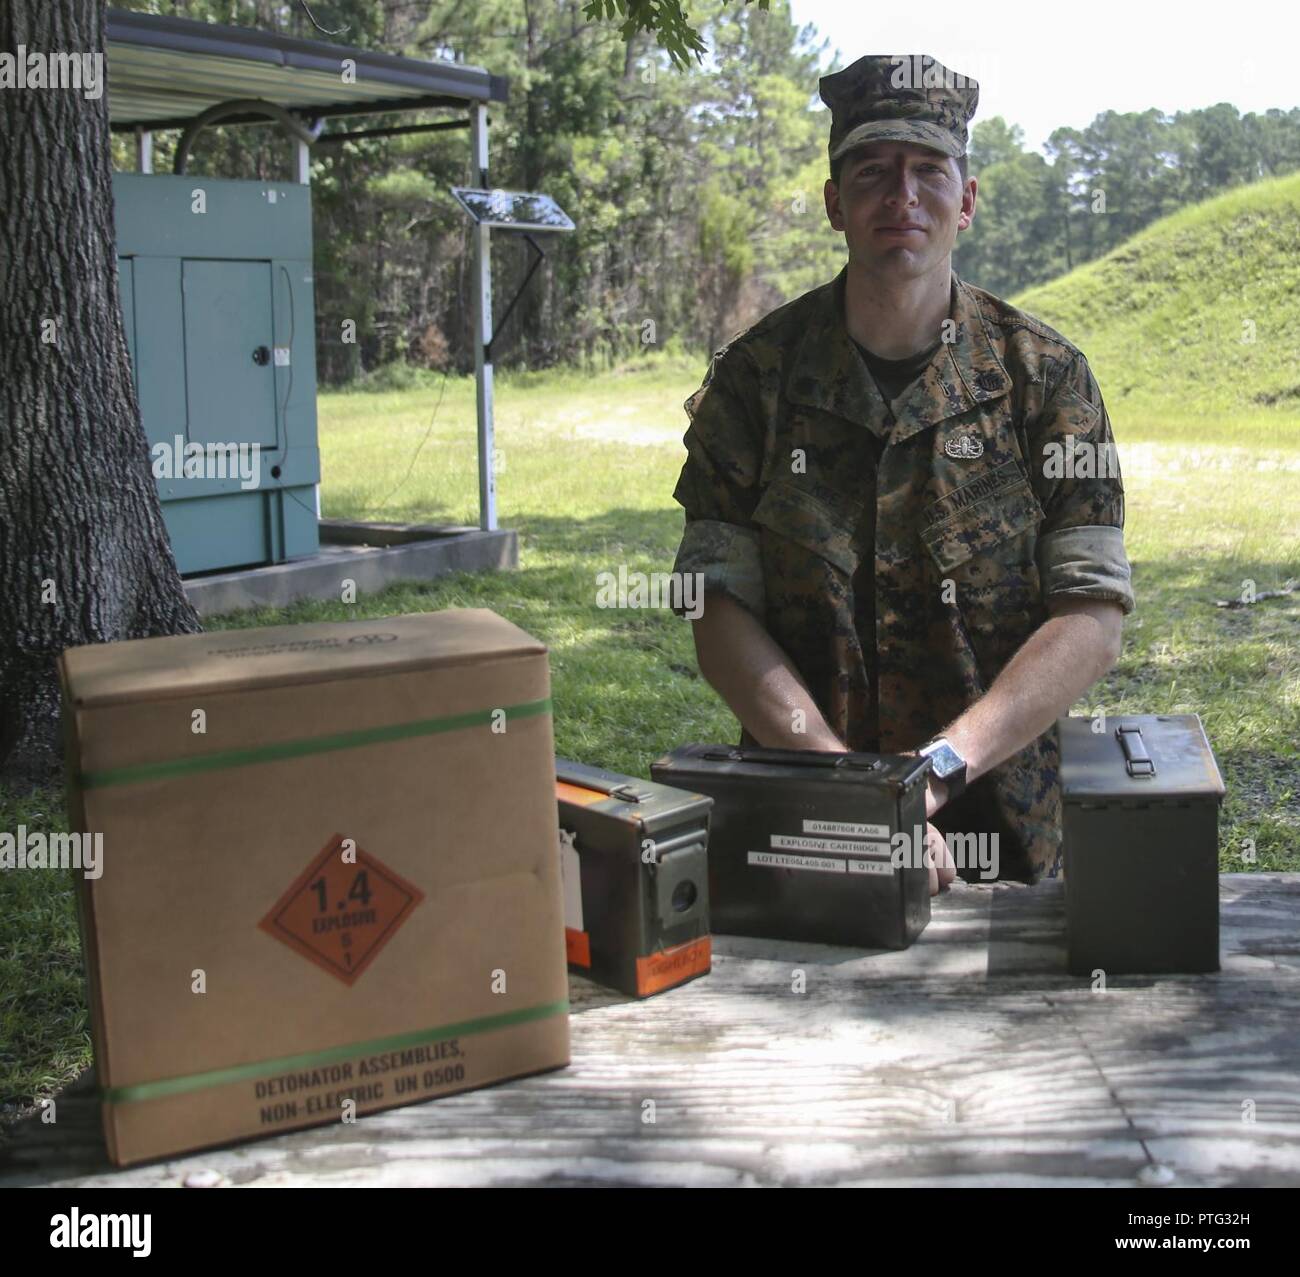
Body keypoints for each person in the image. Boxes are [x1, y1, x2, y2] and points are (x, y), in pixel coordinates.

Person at [670, 54, 1135, 895]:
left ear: (966, 201)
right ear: (833, 203)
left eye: (929, 172)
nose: (902, 197)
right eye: (873, 172)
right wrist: (856, 795)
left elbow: (1092, 617)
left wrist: (937, 771)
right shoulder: (756, 381)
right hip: (801, 827)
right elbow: (717, 613)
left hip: (1006, 840)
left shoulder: (1047, 381)